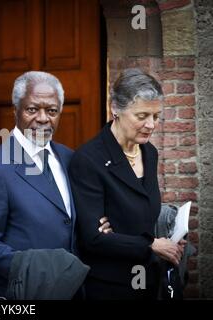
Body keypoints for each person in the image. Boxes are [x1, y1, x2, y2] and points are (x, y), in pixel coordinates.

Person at [0, 71, 104, 299]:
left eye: (51, 110)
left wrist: (98, 227)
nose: (42, 118)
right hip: (21, 295)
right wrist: (39, 268)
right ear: (15, 111)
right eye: (32, 109)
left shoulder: (70, 159)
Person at [69, 68, 186, 300]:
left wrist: (168, 239)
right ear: (116, 109)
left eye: (156, 116)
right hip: (109, 285)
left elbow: (142, 214)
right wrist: (151, 244)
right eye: (142, 116)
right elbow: (94, 239)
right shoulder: (88, 159)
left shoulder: (149, 152)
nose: (151, 125)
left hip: (148, 278)